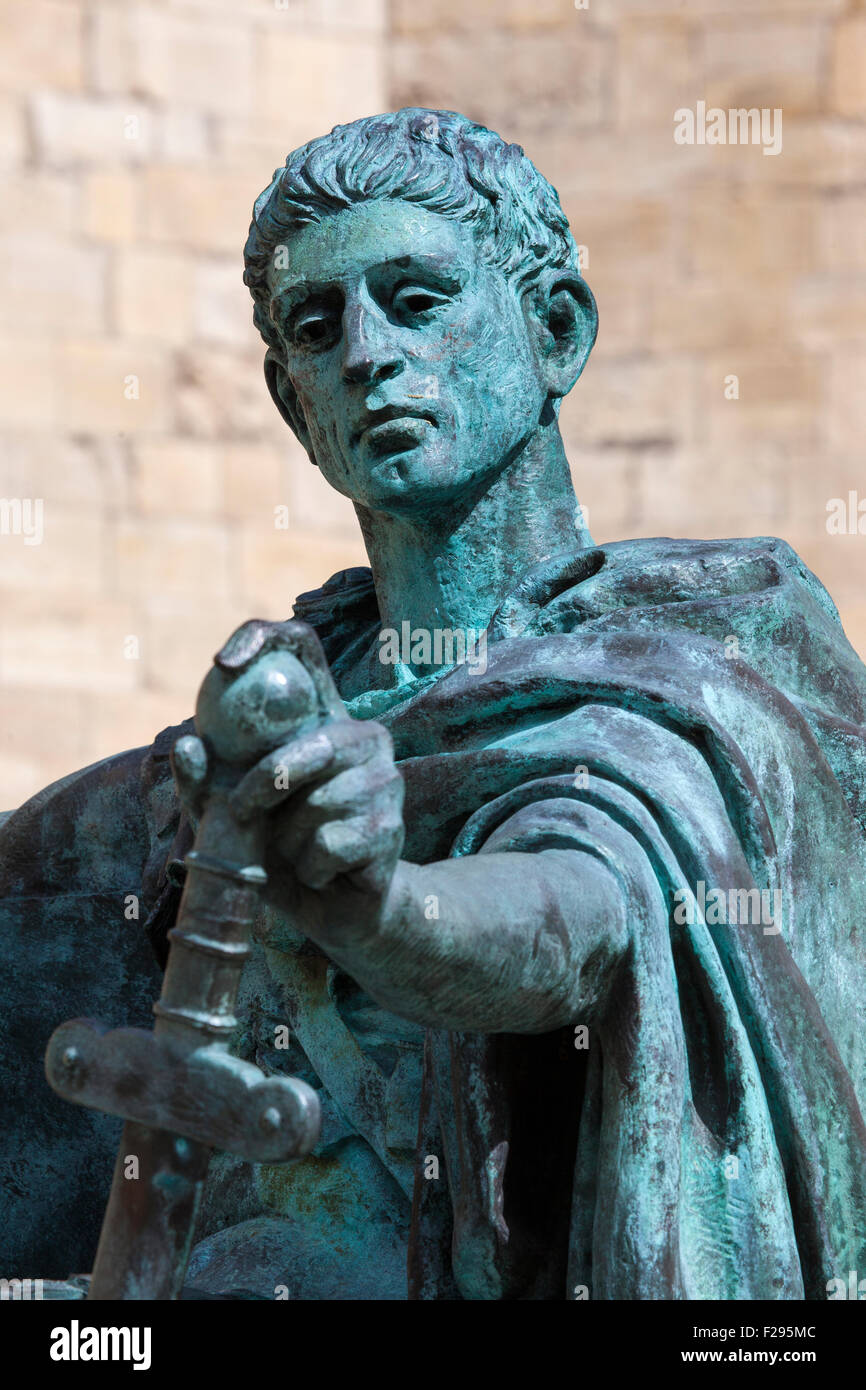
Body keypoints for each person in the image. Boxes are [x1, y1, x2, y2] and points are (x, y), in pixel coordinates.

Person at [1, 109, 864, 1300]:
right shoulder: (240, 737)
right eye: (319, 327)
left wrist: (379, 903)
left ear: (553, 332)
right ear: (295, 405)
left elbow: (576, 915)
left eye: (415, 300)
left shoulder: (689, 656)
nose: (364, 350)